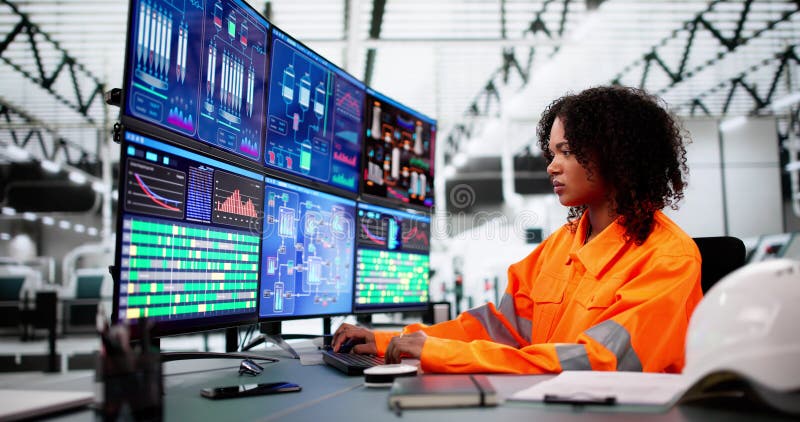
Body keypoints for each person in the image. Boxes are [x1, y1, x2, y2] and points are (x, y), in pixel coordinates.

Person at [333, 85, 703, 374]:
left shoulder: (667, 258)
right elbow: (496, 328)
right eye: (551, 153)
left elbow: (598, 363)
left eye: (567, 151)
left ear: (617, 155)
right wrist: (390, 340)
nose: (551, 167)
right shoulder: (561, 246)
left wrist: (445, 354)